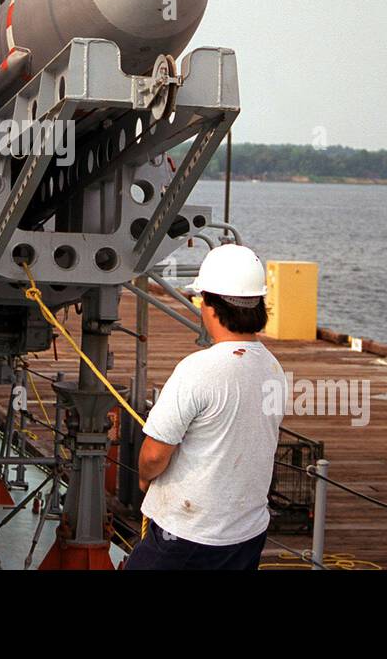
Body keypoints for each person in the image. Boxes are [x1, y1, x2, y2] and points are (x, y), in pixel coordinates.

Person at [124, 243, 285, 571]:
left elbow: (154, 455)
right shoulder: (273, 368)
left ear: (210, 306)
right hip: (247, 534)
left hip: (188, 534)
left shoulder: (198, 369)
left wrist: (143, 479)